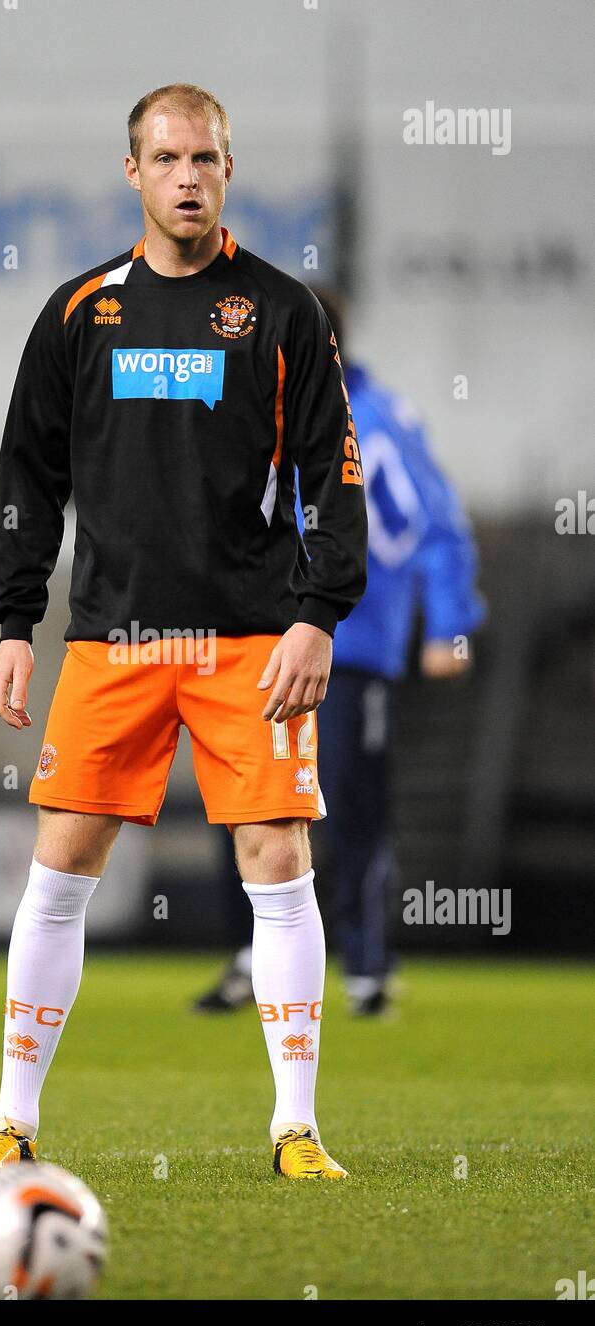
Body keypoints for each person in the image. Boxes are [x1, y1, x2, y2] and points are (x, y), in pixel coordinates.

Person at [0, 85, 367, 1182]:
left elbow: (331, 475)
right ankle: (12, 1116)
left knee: (277, 861)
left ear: (230, 170)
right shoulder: (81, 312)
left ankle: (295, 1129)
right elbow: (27, 480)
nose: (189, 176)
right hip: (112, 642)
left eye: (208, 158)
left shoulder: (280, 314)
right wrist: (12, 622)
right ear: (131, 172)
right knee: (60, 866)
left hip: (246, 644)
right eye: (168, 158)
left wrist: (318, 614)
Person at [194, 287, 485, 1018]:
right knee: (242, 801)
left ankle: (364, 964)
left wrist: (448, 625)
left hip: (352, 640)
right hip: (251, 638)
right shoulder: (243, 409)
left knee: (349, 802)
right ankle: (250, 957)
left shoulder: (378, 419)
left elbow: (439, 524)